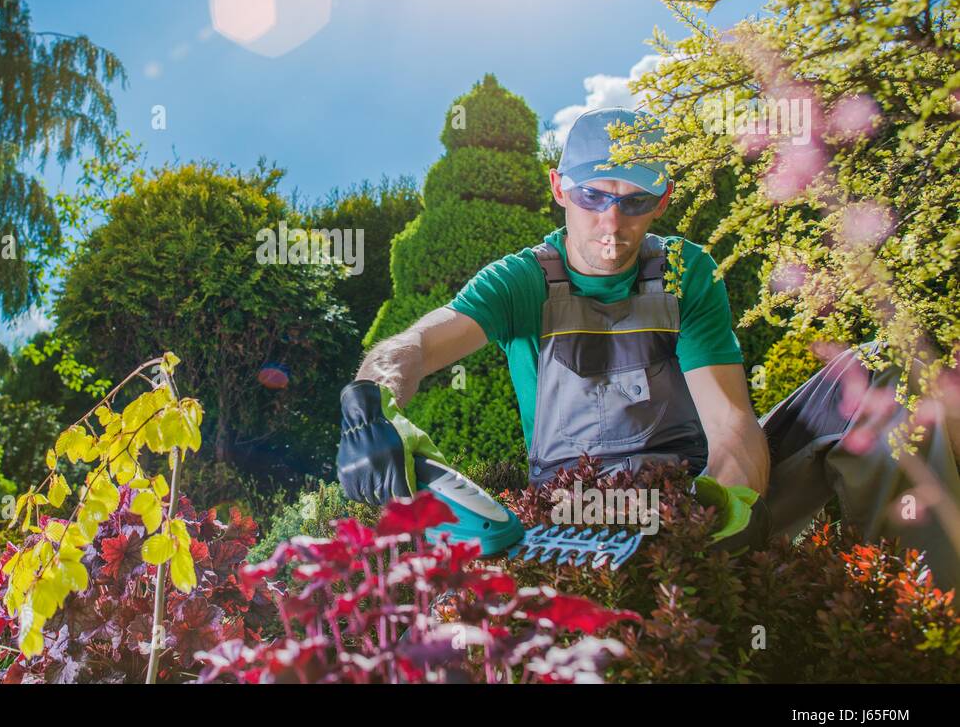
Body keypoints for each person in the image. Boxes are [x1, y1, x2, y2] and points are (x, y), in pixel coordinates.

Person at [336, 108, 960, 587]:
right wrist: (369, 402)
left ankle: (921, 613)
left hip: (698, 498)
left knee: (888, 364)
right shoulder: (520, 280)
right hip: (572, 518)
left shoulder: (687, 273)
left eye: (634, 201)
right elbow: (414, 345)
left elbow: (731, 422)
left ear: (662, 199)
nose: (612, 223)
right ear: (559, 188)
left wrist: (725, 517)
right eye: (593, 197)